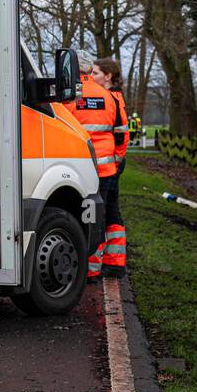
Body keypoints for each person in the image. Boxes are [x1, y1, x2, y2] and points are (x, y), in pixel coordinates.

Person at [63, 53, 120, 281]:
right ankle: (94, 268)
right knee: (99, 214)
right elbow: (120, 133)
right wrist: (117, 159)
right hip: (106, 167)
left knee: (81, 216)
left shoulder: (68, 97)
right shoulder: (108, 96)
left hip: (79, 167)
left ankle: (83, 267)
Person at [91, 58, 128, 276]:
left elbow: (121, 132)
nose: (92, 77)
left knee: (102, 212)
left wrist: (115, 160)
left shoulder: (111, 97)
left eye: (96, 73)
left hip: (110, 165)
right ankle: (115, 262)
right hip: (114, 163)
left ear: (108, 76)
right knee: (112, 210)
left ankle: (96, 264)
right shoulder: (114, 96)